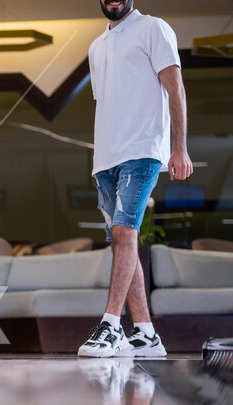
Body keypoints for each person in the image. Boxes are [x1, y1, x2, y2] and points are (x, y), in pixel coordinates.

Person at [78, 0, 192, 358]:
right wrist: (100, 161)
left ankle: (111, 324)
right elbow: (110, 103)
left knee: (125, 233)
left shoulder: (153, 28)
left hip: (143, 151)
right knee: (121, 240)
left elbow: (175, 88)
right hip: (106, 159)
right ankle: (145, 333)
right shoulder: (97, 46)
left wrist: (179, 148)